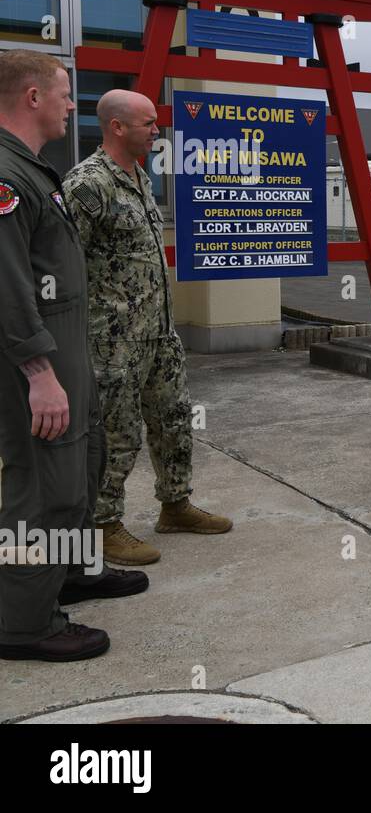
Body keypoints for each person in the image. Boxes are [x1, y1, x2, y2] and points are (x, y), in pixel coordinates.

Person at [0, 51, 147, 662]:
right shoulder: (5, 176)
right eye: (63, 95)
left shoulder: (34, 169)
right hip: (38, 364)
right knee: (44, 489)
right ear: (32, 97)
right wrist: (39, 373)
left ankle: (71, 573)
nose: (70, 106)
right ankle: (21, 622)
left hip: (69, 351)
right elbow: (6, 284)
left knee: (84, 464)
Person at [64, 91, 231, 566]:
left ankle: (175, 504)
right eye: (148, 123)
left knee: (173, 420)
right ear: (117, 127)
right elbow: (62, 264)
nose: (157, 131)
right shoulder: (87, 185)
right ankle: (103, 524)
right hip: (111, 340)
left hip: (158, 333)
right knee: (117, 433)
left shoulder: (139, 176)